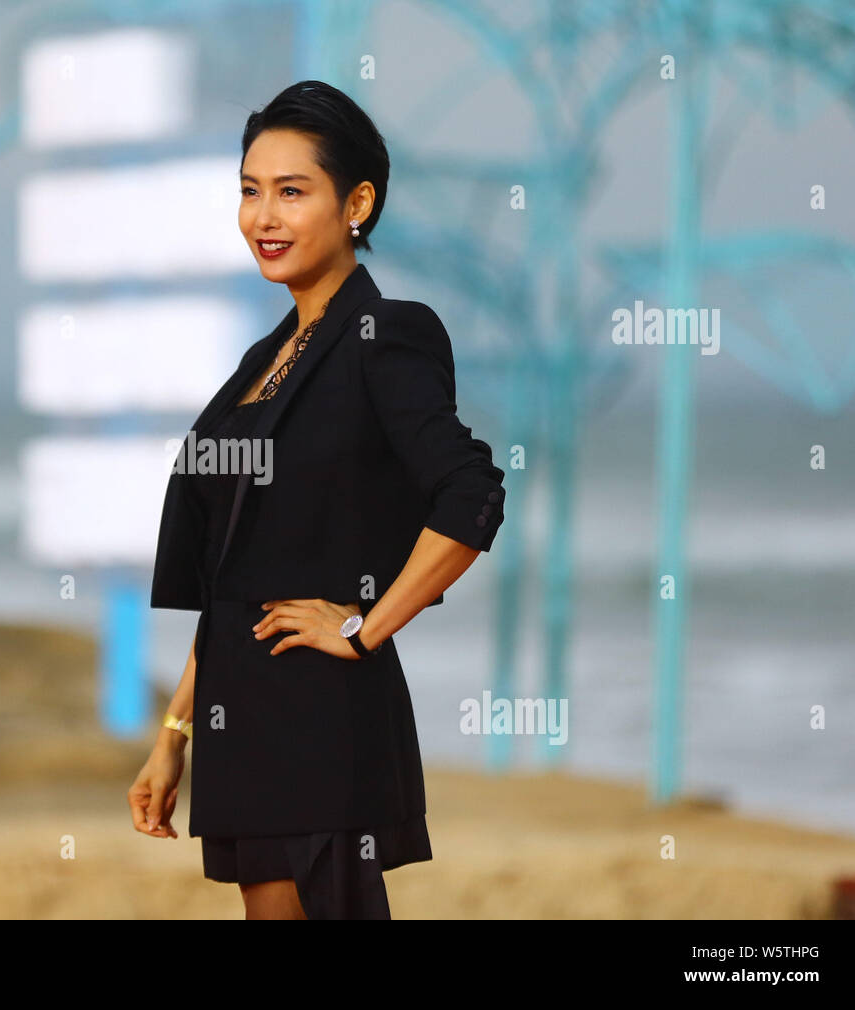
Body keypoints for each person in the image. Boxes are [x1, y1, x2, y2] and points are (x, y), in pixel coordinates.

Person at [127, 80, 507, 920]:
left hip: (319, 723)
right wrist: (174, 736)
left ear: (357, 203)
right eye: (250, 190)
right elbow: (237, 572)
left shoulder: (387, 335)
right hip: (241, 725)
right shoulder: (262, 359)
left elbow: (470, 491)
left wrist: (364, 628)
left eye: (292, 192)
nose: (263, 215)